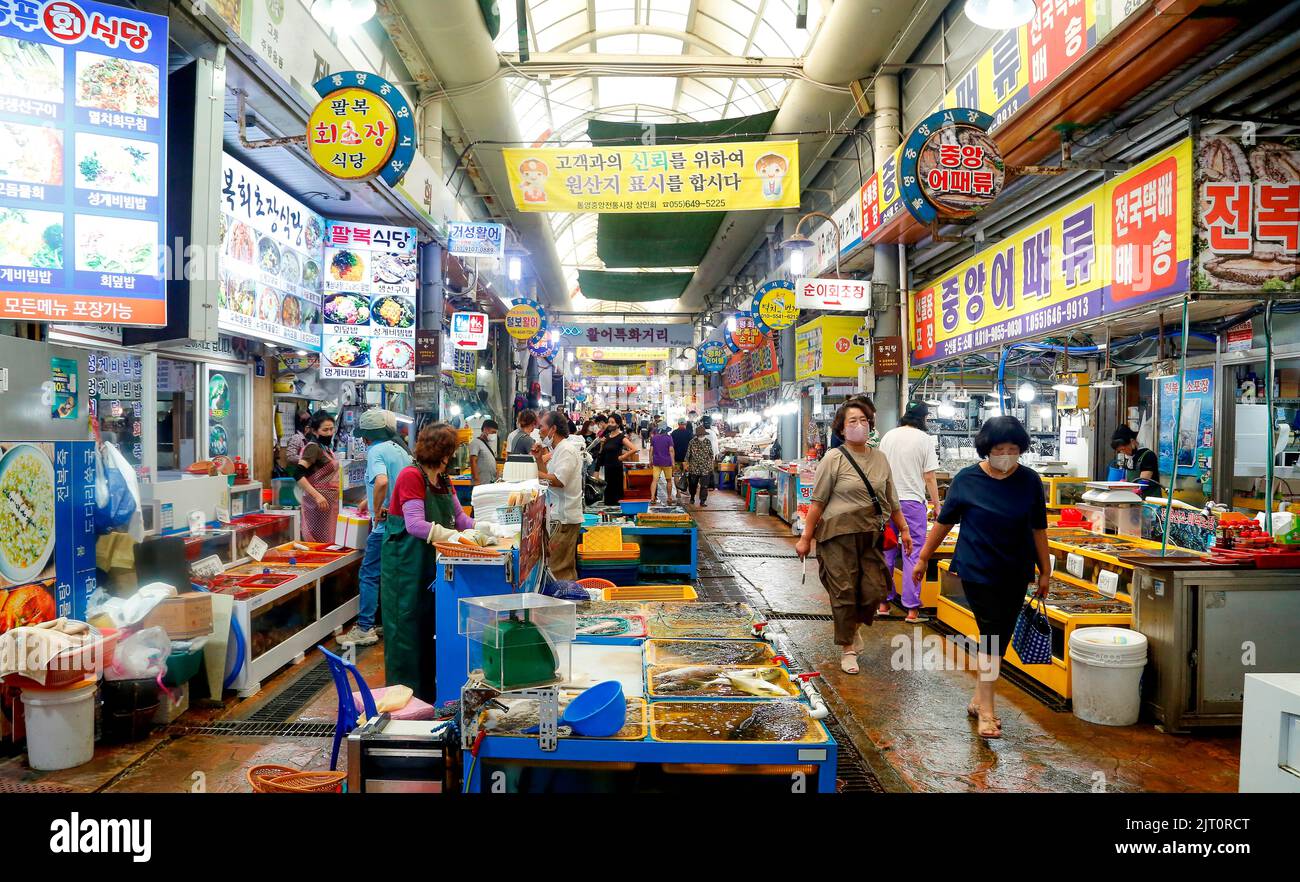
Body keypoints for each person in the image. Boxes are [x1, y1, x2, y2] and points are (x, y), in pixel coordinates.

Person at [913, 416, 1051, 740]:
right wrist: (922, 558)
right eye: (1000, 448)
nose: (1006, 454)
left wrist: (1045, 570)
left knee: (998, 639)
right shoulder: (966, 480)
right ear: (987, 449)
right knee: (991, 634)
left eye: (1013, 448)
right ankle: (988, 712)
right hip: (977, 570)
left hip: (1016, 571)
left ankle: (978, 699)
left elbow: (1038, 530)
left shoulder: (1030, 481)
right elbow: (943, 523)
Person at [795, 398, 913, 675]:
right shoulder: (833, 459)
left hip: (871, 534)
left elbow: (891, 500)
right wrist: (805, 538)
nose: (859, 425)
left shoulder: (880, 458)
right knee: (844, 591)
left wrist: (905, 530)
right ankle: (848, 648)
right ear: (842, 429)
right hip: (837, 536)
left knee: (875, 589)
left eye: (863, 420)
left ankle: (854, 628)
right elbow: (818, 502)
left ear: (870, 425)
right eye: (852, 421)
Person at [381, 423, 476, 701]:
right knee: (406, 634)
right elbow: (414, 525)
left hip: (429, 567)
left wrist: (483, 530)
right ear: (444, 454)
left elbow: (460, 519)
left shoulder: (443, 479)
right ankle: (404, 705)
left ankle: (426, 699)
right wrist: (448, 535)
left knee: (428, 631)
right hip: (405, 568)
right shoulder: (411, 476)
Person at [341, 409, 411, 647]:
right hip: (401, 524)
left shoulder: (375, 451)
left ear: (366, 436)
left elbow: (382, 481)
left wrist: (378, 506)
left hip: (383, 527)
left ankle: (364, 628)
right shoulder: (399, 450)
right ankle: (383, 621)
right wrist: (367, 501)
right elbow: (392, 481)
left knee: (369, 575)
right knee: (388, 576)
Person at [878, 403, 943, 624]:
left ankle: (884, 604)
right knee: (912, 554)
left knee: (886, 550)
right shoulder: (924, 439)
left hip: (887, 501)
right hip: (913, 503)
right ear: (923, 419)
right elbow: (930, 476)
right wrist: (937, 504)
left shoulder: (888, 437)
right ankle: (912, 610)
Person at [533, 411, 584, 580]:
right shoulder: (558, 450)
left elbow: (558, 481)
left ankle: (566, 604)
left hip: (565, 519)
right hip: (558, 516)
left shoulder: (566, 450)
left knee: (559, 568)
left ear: (553, 429)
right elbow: (548, 475)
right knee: (558, 566)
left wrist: (533, 473)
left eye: (542, 426)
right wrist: (539, 459)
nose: (539, 430)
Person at [294, 411, 340, 543]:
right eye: (325, 430)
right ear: (314, 431)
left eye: (332, 429)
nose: (330, 433)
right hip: (317, 505)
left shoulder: (325, 448)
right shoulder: (313, 448)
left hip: (328, 504)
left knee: (328, 540)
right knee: (317, 541)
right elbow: (298, 474)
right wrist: (317, 496)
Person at [598, 414, 638, 505]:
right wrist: (601, 444)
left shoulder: (621, 437)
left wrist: (623, 457)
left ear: (618, 424)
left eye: (613, 422)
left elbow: (634, 449)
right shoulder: (607, 436)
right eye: (609, 422)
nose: (610, 424)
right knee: (608, 490)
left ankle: (619, 511)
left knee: (616, 491)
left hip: (616, 468)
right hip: (607, 468)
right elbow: (602, 452)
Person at [1109, 424, 1161, 496]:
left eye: (1123, 449)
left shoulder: (1147, 456)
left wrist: (1133, 490)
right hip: (1135, 498)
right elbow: (1126, 478)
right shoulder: (1128, 458)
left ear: (1132, 442)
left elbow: (1143, 482)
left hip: (1151, 499)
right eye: (1120, 450)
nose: (1123, 452)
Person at [684, 424, 716, 506]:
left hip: (705, 467)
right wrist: (686, 464)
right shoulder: (692, 442)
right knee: (693, 484)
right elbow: (688, 454)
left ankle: (703, 501)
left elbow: (711, 454)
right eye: (700, 435)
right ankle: (692, 497)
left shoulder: (708, 442)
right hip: (694, 467)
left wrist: (711, 465)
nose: (701, 436)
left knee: (704, 485)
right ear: (697, 435)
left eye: (702, 435)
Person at [649, 424, 676, 504]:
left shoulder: (654, 438)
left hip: (656, 462)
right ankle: (669, 497)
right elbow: (671, 450)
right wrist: (673, 462)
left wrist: (650, 460)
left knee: (654, 480)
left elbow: (651, 450)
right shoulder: (669, 438)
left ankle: (652, 497)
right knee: (669, 480)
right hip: (667, 462)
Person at [468, 419, 499, 485]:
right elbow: (473, 461)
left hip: (490, 483)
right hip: (480, 483)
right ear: (485, 429)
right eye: (493, 432)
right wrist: (476, 480)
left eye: (495, 433)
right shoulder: (476, 443)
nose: (494, 435)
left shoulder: (488, 445)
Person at [671, 418, 693, 488]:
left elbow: (671, 447)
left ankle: (678, 492)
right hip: (686, 459)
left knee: (676, 475)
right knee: (687, 475)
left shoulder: (674, 433)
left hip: (676, 458)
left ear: (678, 424)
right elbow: (692, 446)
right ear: (685, 424)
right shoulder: (689, 433)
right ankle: (686, 491)